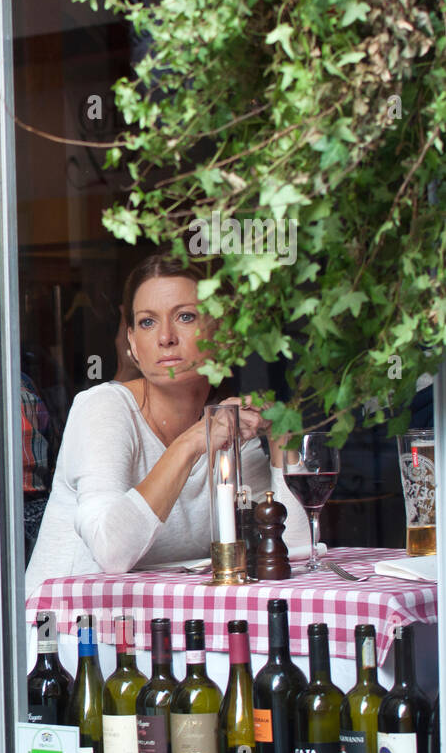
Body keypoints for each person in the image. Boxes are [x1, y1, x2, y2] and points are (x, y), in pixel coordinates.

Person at [24, 254, 311, 600]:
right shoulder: (103, 409)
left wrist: (283, 439)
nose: (165, 337)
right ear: (131, 343)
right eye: (147, 322)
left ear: (224, 334)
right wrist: (193, 442)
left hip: (167, 628)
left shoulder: (228, 427)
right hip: (70, 634)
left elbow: (292, 551)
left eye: (185, 317)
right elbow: (111, 551)